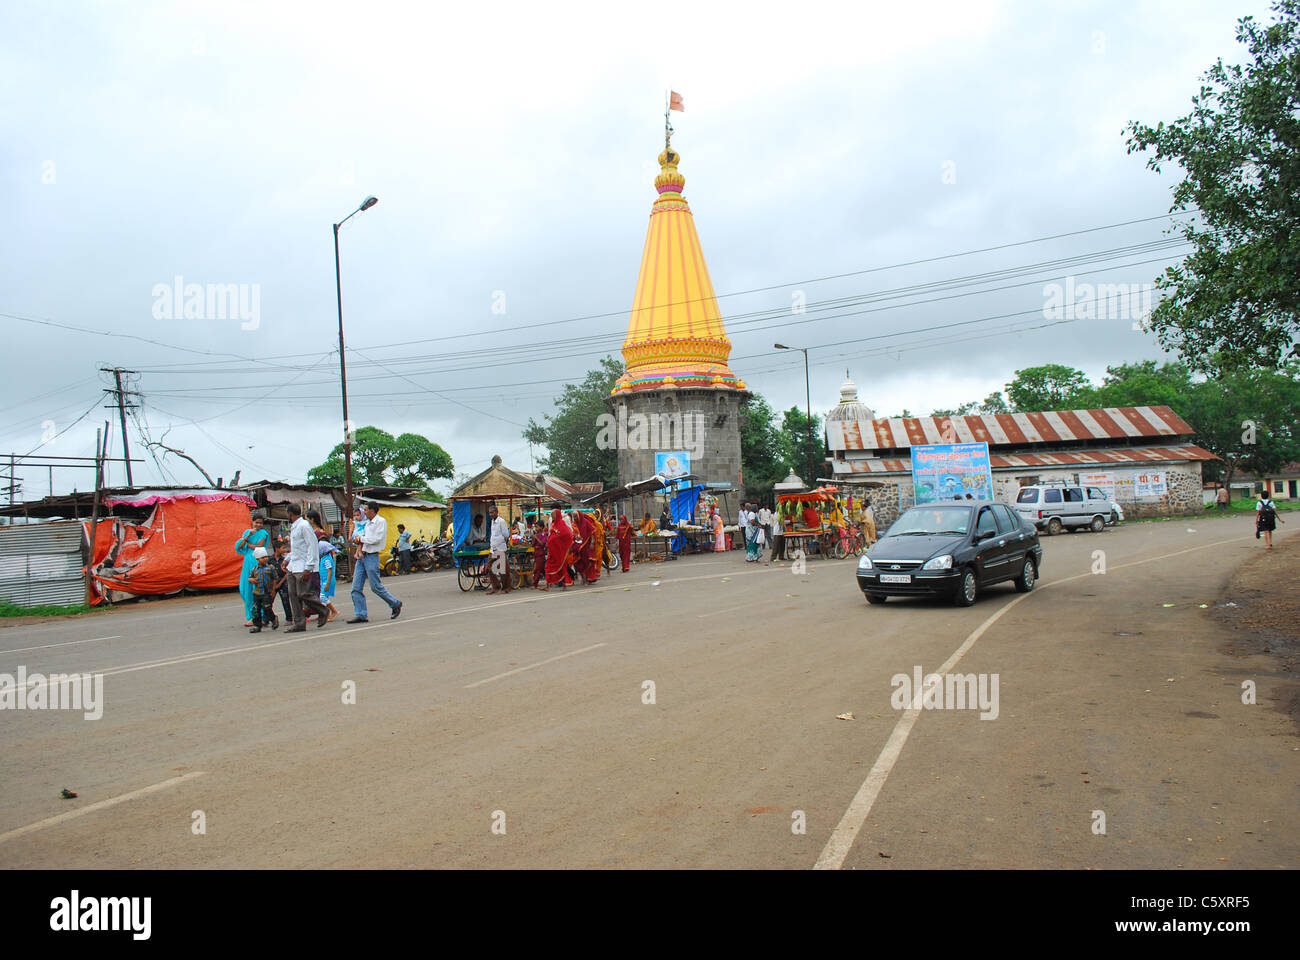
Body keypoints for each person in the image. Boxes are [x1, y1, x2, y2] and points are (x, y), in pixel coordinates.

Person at [349, 502, 403, 621]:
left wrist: (361, 539)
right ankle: (361, 614)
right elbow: (359, 536)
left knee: (375, 586)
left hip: (372, 556)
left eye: (366, 510)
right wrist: (356, 539)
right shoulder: (366, 523)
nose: (365, 512)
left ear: (373, 510)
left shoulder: (380, 522)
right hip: (362, 556)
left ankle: (395, 603)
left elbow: (377, 539)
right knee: (356, 587)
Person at [284, 504, 330, 632]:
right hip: (293, 565)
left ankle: (323, 610)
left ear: (290, 514)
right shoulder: (294, 527)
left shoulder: (304, 526)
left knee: (303, 593)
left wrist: (308, 567)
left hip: (303, 565)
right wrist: (287, 559)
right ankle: (299, 623)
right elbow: (297, 547)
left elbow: (312, 546)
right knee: (292, 594)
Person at [234, 516, 270, 626]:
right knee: (245, 589)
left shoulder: (263, 533)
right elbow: (239, 547)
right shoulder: (247, 532)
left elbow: (258, 547)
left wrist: (247, 544)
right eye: (256, 522)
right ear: (252, 522)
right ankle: (251, 615)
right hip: (247, 563)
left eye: (260, 523)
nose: (258, 525)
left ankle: (261, 617)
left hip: (258, 562)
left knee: (258, 589)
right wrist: (248, 536)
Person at [248, 546, 279, 633]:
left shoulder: (270, 568)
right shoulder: (255, 569)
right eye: (263, 557)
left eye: (266, 557)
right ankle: (257, 625)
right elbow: (250, 578)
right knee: (255, 609)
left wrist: (273, 590)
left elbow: (274, 579)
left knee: (267, 607)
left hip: (267, 592)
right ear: (257, 559)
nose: (265, 559)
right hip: (257, 593)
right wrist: (252, 580)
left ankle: (273, 618)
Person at [486, 503, 512, 595]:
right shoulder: (492, 522)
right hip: (493, 548)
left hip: (500, 548)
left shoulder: (501, 521)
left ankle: (506, 587)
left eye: (492, 512)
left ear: (496, 512)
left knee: (502, 569)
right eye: (489, 513)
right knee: (489, 568)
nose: (491, 514)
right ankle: (495, 587)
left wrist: (502, 543)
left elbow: (505, 535)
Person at [544, 508, 574, 589]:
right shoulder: (553, 524)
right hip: (552, 550)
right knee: (548, 566)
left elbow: (568, 535)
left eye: (553, 514)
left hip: (560, 551)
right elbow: (551, 535)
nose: (551, 516)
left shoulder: (562, 524)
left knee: (562, 568)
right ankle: (547, 584)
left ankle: (565, 584)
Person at [574, 510, 599, 584]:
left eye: (575, 516)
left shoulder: (586, 522)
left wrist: (592, 542)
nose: (574, 518)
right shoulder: (574, 524)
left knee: (589, 562)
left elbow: (592, 532)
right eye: (574, 516)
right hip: (578, 546)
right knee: (577, 563)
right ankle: (583, 576)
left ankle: (587, 577)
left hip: (587, 545)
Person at [318, 540, 340, 622]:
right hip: (324, 580)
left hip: (327, 581)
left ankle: (334, 611)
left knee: (322, 597)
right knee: (324, 598)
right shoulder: (324, 558)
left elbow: (330, 571)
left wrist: (327, 583)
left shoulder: (327, 559)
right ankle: (325, 614)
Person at [530, 517, 548, 588]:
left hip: (540, 552)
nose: (536, 528)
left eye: (537, 527)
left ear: (541, 527)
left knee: (538, 569)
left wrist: (536, 538)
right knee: (542, 569)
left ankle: (535, 584)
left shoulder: (543, 535)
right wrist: (533, 538)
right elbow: (533, 544)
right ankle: (550, 581)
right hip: (536, 552)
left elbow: (542, 543)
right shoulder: (536, 535)